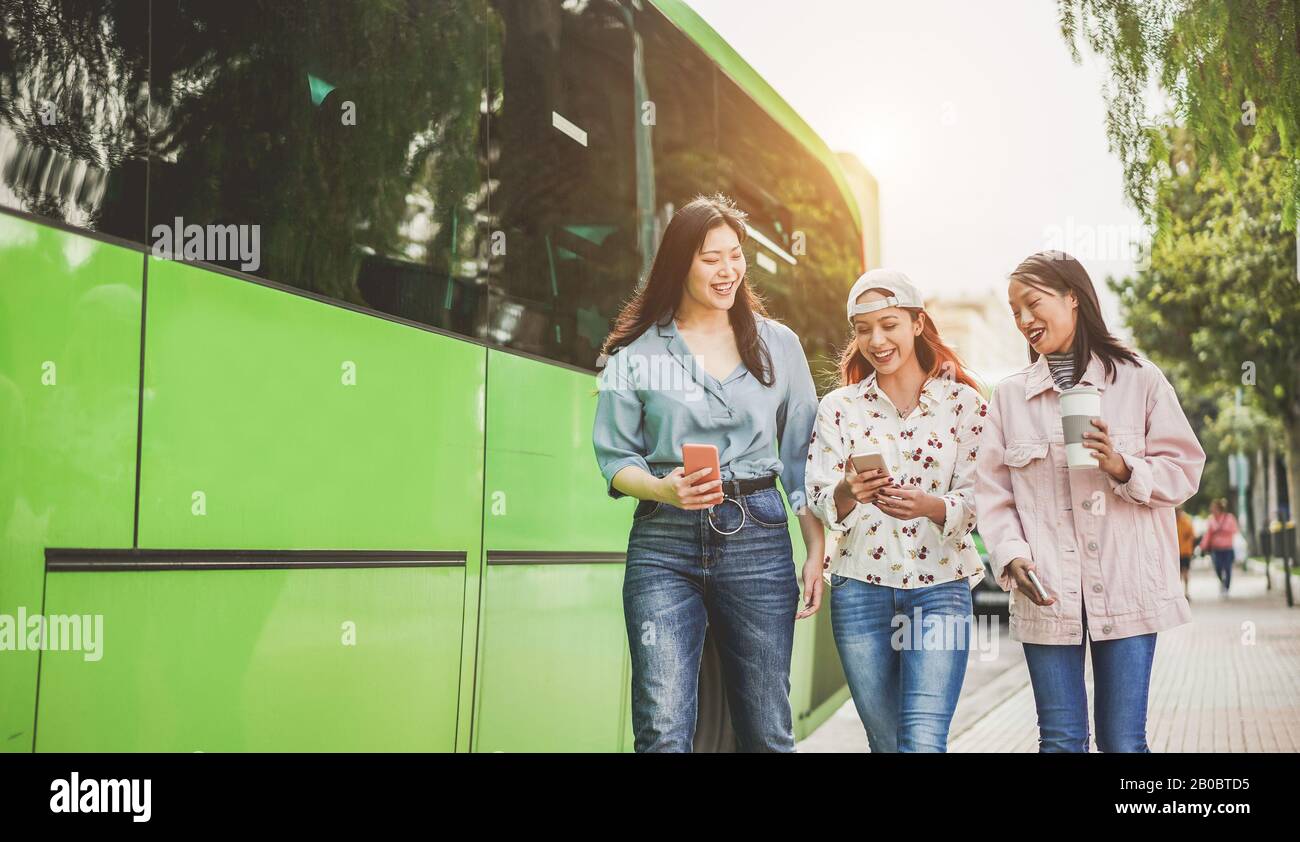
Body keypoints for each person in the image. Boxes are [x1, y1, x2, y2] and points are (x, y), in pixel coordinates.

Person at [592, 194, 822, 752]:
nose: (728, 271)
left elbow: (804, 461)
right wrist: (663, 490)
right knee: (663, 727)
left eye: (735, 256)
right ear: (680, 264)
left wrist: (816, 548)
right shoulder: (636, 353)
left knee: (766, 728)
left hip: (760, 535)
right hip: (663, 542)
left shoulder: (779, 345)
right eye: (710, 258)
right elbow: (616, 457)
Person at [975, 251, 1205, 752]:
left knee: (1123, 742)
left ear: (1073, 297)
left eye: (1033, 304)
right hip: (1047, 590)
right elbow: (992, 494)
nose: (1024, 320)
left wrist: (1123, 468)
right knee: (1060, 742)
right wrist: (1012, 555)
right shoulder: (1010, 398)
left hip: (1127, 586)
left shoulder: (1139, 378)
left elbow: (1186, 469)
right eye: (1015, 312)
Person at [803, 269, 988, 752]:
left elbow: (980, 497)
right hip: (859, 589)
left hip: (941, 587)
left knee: (922, 743)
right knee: (886, 744)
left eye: (889, 325)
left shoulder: (963, 404)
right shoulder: (839, 407)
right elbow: (819, 497)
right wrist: (848, 490)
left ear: (917, 324)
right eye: (863, 329)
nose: (876, 340)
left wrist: (930, 506)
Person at [1199, 498, 1239, 598]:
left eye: (1214, 508)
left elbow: (1234, 530)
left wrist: (1221, 530)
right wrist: (1203, 545)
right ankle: (1222, 583)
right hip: (1216, 549)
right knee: (1218, 568)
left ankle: (1226, 587)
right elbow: (1208, 534)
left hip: (1227, 548)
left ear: (1219, 508)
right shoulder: (1211, 519)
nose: (1212, 510)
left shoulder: (1229, 518)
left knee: (1227, 568)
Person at [1176, 507, 1196, 600]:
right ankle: (1179, 593)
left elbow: (1192, 534)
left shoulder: (1186, 521)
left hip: (1185, 552)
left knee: (1185, 572)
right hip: (1175, 552)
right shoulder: (1172, 521)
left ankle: (1186, 592)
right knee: (1177, 574)